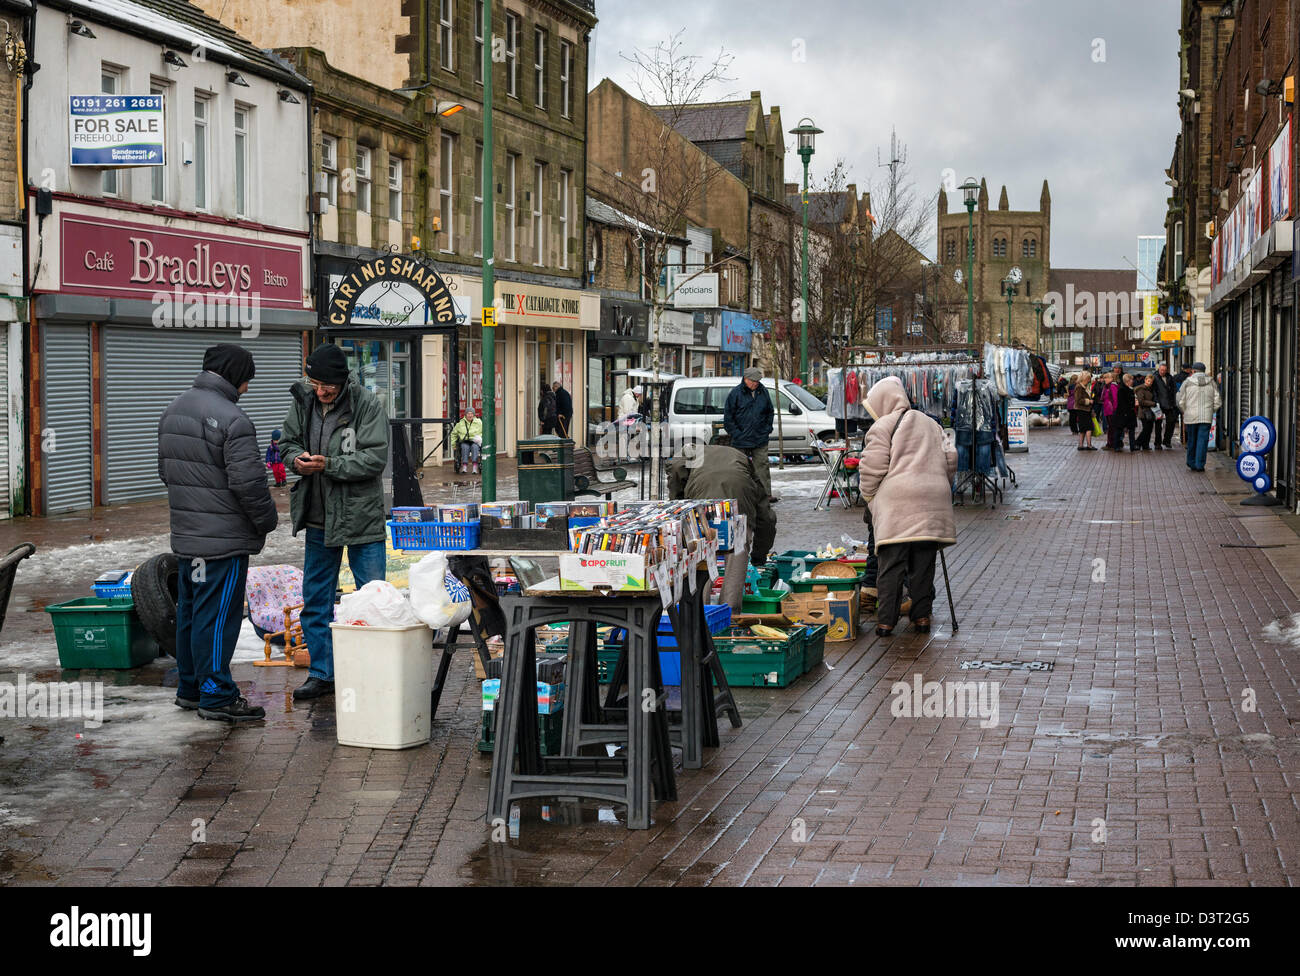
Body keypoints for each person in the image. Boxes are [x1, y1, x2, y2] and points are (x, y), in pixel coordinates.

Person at [159, 344, 277, 723]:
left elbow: (166, 471)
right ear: (234, 375)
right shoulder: (233, 419)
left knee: (192, 613)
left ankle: (190, 687)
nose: (247, 389)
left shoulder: (173, 409)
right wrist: (267, 520)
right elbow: (249, 484)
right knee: (219, 616)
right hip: (222, 543)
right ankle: (217, 695)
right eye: (246, 381)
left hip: (189, 538)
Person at [280, 343, 390, 701]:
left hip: (360, 517)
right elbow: (288, 442)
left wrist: (330, 465)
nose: (320, 390)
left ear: (343, 381)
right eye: (315, 382)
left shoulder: (367, 404)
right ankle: (322, 673)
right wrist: (298, 460)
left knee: (373, 599)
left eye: (327, 384)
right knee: (315, 598)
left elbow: (374, 458)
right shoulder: (304, 399)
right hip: (317, 515)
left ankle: (375, 672)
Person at [856, 376, 957, 637]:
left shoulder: (882, 427)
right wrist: (940, 485)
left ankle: (886, 622)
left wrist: (870, 498)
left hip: (897, 505)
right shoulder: (933, 424)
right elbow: (951, 457)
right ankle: (921, 617)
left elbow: (871, 469)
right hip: (933, 502)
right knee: (924, 565)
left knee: (891, 565)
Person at [668, 432, 777, 613]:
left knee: (702, 552)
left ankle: (699, 611)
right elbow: (765, 514)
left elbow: (676, 467)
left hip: (702, 501)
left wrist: (677, 501)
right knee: (737, 552)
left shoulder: (696, 451)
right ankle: (730, 612)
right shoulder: (742, 459)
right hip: (739, 503)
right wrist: (759, 554)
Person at [723, 366, 775, 498]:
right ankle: (740, 495)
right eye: (753, 381)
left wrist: (767, 429)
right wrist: (737, 434)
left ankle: (765, 495)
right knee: (740, 469)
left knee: (762, 468)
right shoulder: (735, 394)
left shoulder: (763, 392)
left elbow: (770, 411)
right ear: (745, 379)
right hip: (741, 440)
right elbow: (728, 418)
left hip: (760, 438)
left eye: (757, 381)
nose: (756, 383)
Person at [1177, 361, 1221, 472]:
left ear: (1193, 371)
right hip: (1206, 417)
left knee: (1192, 439)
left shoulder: (1187, 382)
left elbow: (1180, 400)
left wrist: (1184, 411)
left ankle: (1191, 462)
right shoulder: (1211, 382)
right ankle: (1200, 464)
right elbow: (1218, 401)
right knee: (1203, 440)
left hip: (1190, 416)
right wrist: (1211, 410)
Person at [1152, 362, 1178, 449]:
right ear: (1159, 369)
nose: (1163, 372)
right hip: (1159, 404)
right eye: (1161, 370)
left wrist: (1174, 400)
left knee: (1171, 422)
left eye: (1164, 370)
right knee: (1158, 424)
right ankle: (1157, 443)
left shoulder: (1170, 377)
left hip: (1170, 404)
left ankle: (1167, 441)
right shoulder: (1155, 377)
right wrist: (1156, 401)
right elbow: (1154, 391)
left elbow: (1174, 389)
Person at [450, 407, 483, 474]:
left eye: (471, 414)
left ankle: (474, 467)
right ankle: (464, 466)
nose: (470, 415)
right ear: (465, 415)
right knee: (465, 447)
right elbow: (454, 434)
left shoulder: (479, 422)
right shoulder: (460, 423)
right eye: (468, 414)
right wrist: (453, 444)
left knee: (475, 447)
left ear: (474, 415)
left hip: (475, 441)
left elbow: (485, 432)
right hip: (465, 441)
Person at [1071, 370, 1096, 450]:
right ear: (1084, 378)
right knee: (1089, 428)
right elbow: (1078, 400)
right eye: (1088, 378)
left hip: (1084, 410)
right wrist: (1089, 401)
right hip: (1082, 410)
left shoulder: (1083, 387)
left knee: (1082, 429)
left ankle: (1081, 445)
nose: (1089, 380)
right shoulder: (1079, 387)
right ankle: (1089, 445)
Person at [1134, 374, 1157, 451]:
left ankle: (1145, 445)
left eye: (1151, 381)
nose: (1149, 383)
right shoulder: (1141, 389)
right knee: (1146, 429)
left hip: (1150, 412)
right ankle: (1137, 443)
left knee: (1149, 429)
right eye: (1148, 381)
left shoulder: (1150, 389)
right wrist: (1152, 403)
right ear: (1145, 380)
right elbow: (1141, 401)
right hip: (1144, 412)